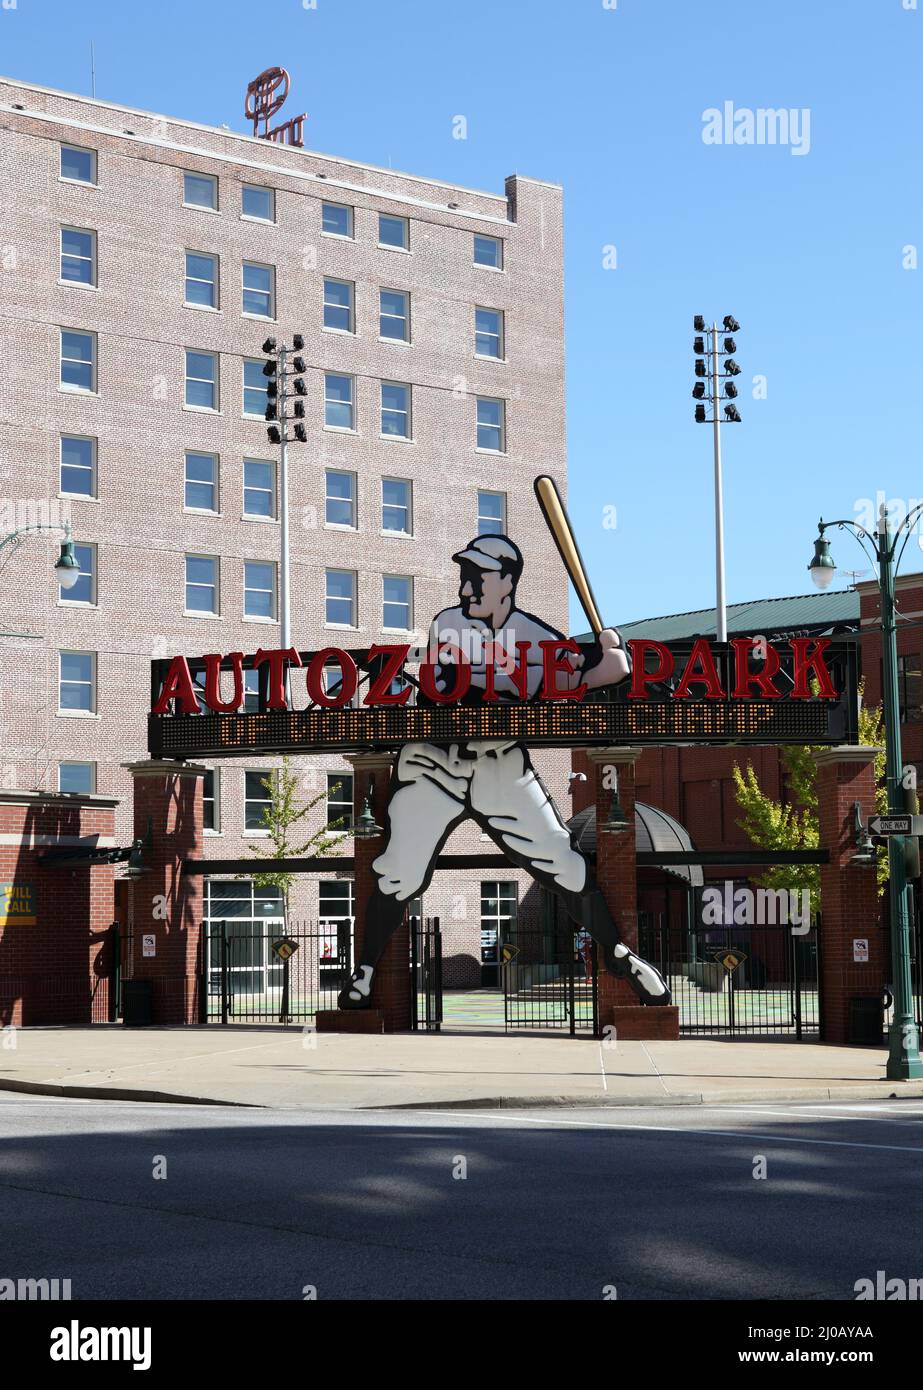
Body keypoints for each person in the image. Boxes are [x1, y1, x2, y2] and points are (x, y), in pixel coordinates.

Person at [338, 533, 671, 1009]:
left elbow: (571, 680)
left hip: (500, 766)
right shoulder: (447, 623)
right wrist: (596, 672)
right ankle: (366, 973)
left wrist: (611, 668)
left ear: (507, 582)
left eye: (478, 577)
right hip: (437, 763)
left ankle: (620, 954)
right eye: (464, 575)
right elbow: (467, 692)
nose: (467, 587)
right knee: (400, 872)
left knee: (567, 862)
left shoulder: (539, 639)